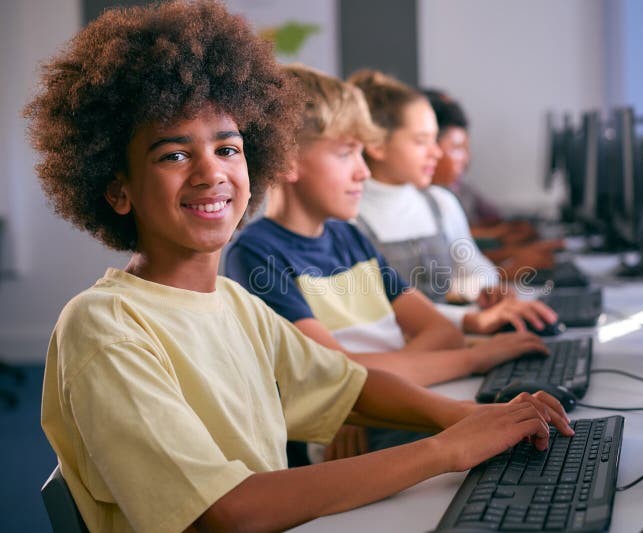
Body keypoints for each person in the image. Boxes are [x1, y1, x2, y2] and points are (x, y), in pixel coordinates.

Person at [27, 2, 572, 532]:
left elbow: (349, 386)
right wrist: (445, 450)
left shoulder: (234, 302)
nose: (209, 173)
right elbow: (229, 511)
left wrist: (473, 419)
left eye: (228, 148)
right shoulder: (105, 328)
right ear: (117, 189)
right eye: (173, 154)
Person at [225, 64, 551, 461]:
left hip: (397, 404)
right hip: (345, 437)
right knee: (516, 444)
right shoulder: (256, 256)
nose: (363, 171)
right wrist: (474, 356)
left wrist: (371, 377)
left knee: (531, 432)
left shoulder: (350, 238)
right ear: (287, 160)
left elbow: (437, 333)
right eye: (346, 153)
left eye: (362, 153)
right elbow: (336, 377)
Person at [350, 69, 560, 333]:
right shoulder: (349, 215)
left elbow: (475, 266)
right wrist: (467, 319)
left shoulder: (440, 203)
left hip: (452, 338)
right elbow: (375, 311)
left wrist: (485, 290)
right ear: (377, 146)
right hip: (410, 350)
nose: (436, 152)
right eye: (421, 141)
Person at [423, 89, 565, 276]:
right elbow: (443, 279)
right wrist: (509, 266)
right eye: (457, 148)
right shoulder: (420, 206)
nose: (467, 159)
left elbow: (465, 260)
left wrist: (505, 244)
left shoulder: (441, 200)